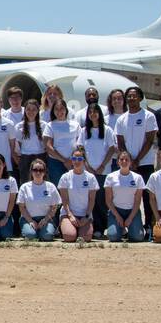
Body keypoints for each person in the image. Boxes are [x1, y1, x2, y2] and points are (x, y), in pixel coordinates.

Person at [114, 86, 159, 237]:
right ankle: (123, 226)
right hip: (127, 165)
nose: (131, 99)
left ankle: (149, 227)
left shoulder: (148, 116)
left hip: (144, 163)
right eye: (129, 96)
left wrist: (138, 159)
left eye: (134, 96)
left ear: (140, 98)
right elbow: (120, 141)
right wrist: (129, 160)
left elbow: (150, 139)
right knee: (126, 196)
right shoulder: (122, 119)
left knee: (147, 196)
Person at [80, 103, 116, 233]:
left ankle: (103, 227)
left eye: (95, 112)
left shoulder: (107, 130)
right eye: (90, 112)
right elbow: (80, 148)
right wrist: (87, 166)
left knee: (101, 200)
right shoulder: (84, 131)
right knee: (91, 200)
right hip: (88, 171)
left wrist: (102, 165)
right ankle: (93, 227)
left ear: (99, 114)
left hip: (103, 171)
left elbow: (112, 148)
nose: (92, 114)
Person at [104, 150, 146, 242]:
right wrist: (118, 216)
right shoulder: (110, 177)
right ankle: (120, 230)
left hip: (132, 210)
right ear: (118, 162)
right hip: (116, 210)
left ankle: (132, 229)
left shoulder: (138, 178)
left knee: (137, 238)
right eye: (121, 159)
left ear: (130, 162)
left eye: (127, 159)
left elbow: (138, 200)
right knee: (113, 237)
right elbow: (108, 200)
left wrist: (130, 218)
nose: (124, 161)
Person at [57, 148, 98, 242]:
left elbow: (92, 200)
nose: (77, 161)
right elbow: (64, 200)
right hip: (68, 214)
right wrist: (70, 215)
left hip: (85, 215)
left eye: (79, 159)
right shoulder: (65, 177)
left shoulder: (91, 178)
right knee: (69, 237)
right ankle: (64, 226)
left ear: (84, 161)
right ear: (71, 160)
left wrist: (87, 217)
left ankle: (83, 229)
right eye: (74, 159)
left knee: (85, 238)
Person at [17, 160, 60, 241]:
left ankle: (43, 231)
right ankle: (30, 230)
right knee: (30, 236)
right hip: (28, 218)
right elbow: (22, 208)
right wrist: (31, 221)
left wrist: (45, 220)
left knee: (47, 236)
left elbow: (54, 207)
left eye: (41, 170)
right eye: (35, 170)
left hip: (46, 218)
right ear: (31, 171)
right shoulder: (24, 187)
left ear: (44, 172)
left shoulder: (51, 186)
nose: (38, 173)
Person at [43, 97, 81, 184]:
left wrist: (71, 159)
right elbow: (48, 146)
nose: (59, 111)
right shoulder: (50, 125)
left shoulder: (75, 125)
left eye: (62, 108)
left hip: (74, 161)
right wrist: (64, 160)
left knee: (73, 187)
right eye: (56, 109)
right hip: (55, 162)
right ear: (53, 111)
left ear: (66, 110)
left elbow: (80, 144)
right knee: (58, 187)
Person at [16, 99, 46, 185]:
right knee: (25, 182)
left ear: (38, 111)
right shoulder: (19, 126)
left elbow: (45, 144)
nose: (31, 112)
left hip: (40, 156)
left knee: (41, 182)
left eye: (34, 109)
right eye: (28, 109)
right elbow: (18, 145)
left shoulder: (43, 125)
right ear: (25, 110)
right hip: (25, 157)